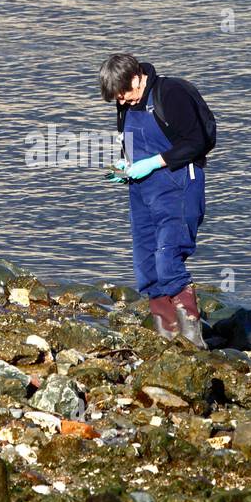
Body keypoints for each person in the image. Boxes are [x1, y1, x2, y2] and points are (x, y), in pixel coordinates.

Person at [99, 53, 215, 348]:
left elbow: (199, 141)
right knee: (146, 265)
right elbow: (130, 141)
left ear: (137, 77)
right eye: (117, 98)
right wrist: (125, 167)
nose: (122, 101)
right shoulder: (125, 101)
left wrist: (153, 162)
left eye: (124, 94)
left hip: (178, 184)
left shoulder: (172, 93)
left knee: (168, 257)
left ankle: (192, 339)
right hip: (140, 189)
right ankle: (166, 337)